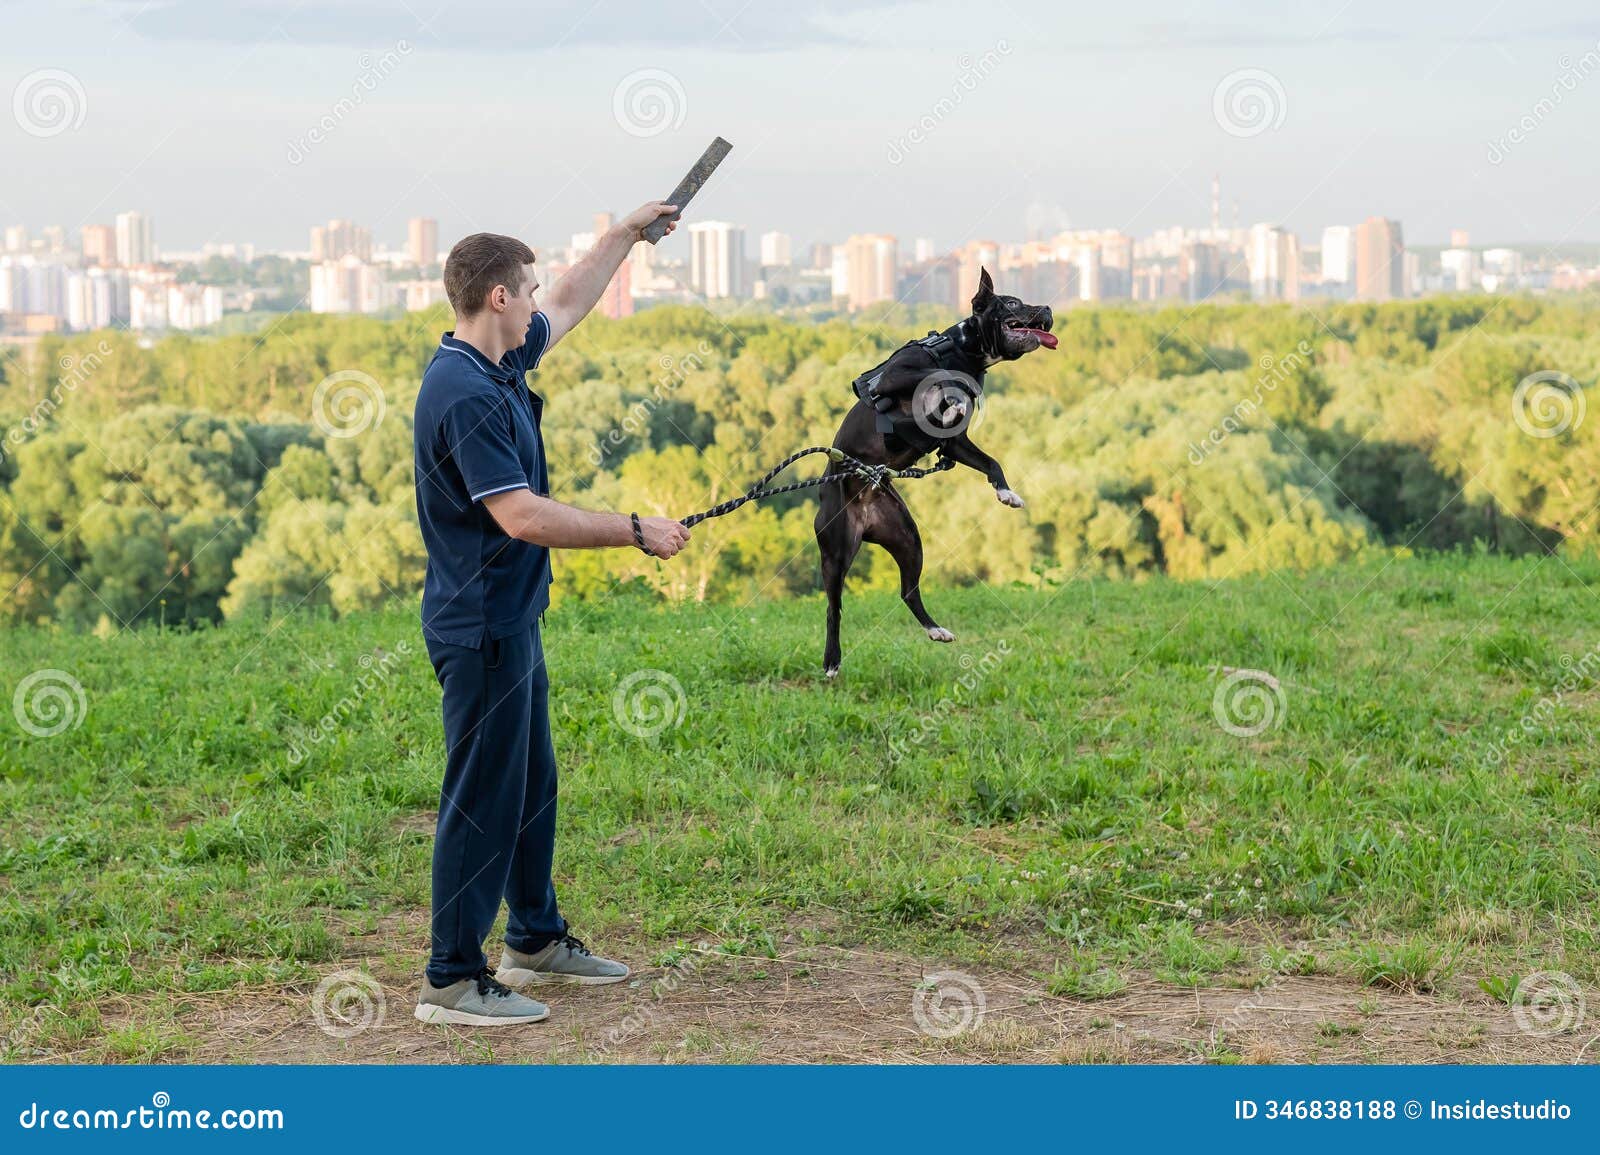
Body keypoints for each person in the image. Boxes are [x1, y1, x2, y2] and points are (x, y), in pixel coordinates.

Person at [411, 202, 691, 1026]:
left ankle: (532, 937)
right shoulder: (462, 392)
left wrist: (625, 235)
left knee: (531, 784)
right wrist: (636, 530)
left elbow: (571, 300)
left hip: (512, 617)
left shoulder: (497, 360)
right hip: (480, 628)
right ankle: (451, 979)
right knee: (483, 798)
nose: (537, 298)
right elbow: (523, 517)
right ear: (497, 297)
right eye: (525, 287)